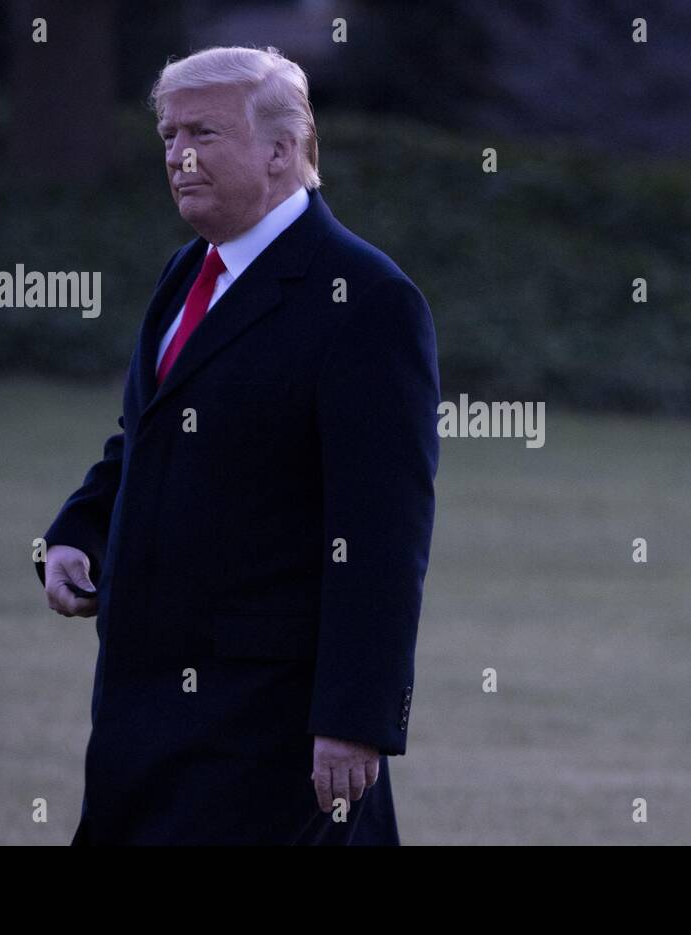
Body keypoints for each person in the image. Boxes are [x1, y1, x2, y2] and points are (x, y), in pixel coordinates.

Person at [34, 45, 439, 845]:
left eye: (205, 135)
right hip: (139, 707)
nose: (179, 156)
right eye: (168, 135)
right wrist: (78, 530)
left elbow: (385, 531)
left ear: (283, 151)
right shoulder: (187, 271)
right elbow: (144, 435)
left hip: (269, 725)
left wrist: (354, 718)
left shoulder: (367, 299)